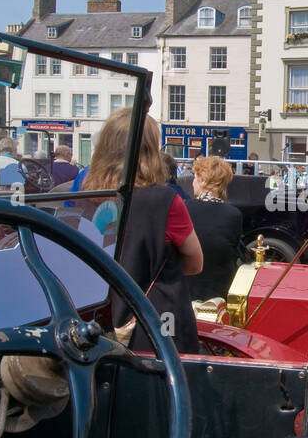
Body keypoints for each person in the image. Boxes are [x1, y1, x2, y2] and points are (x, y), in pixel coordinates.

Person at [82, 109, 203, 354]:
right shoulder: (164, 200)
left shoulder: (80, 196)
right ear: (150, 151)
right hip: (155, 319)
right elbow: (195, 263)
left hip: (92, 319)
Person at [184, 155, 243, 301]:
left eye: (195, 177)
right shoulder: (234, 214)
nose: (193, 182)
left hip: (188, 289)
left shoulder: (184, 209)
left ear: (203, 181)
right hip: (220, 292)